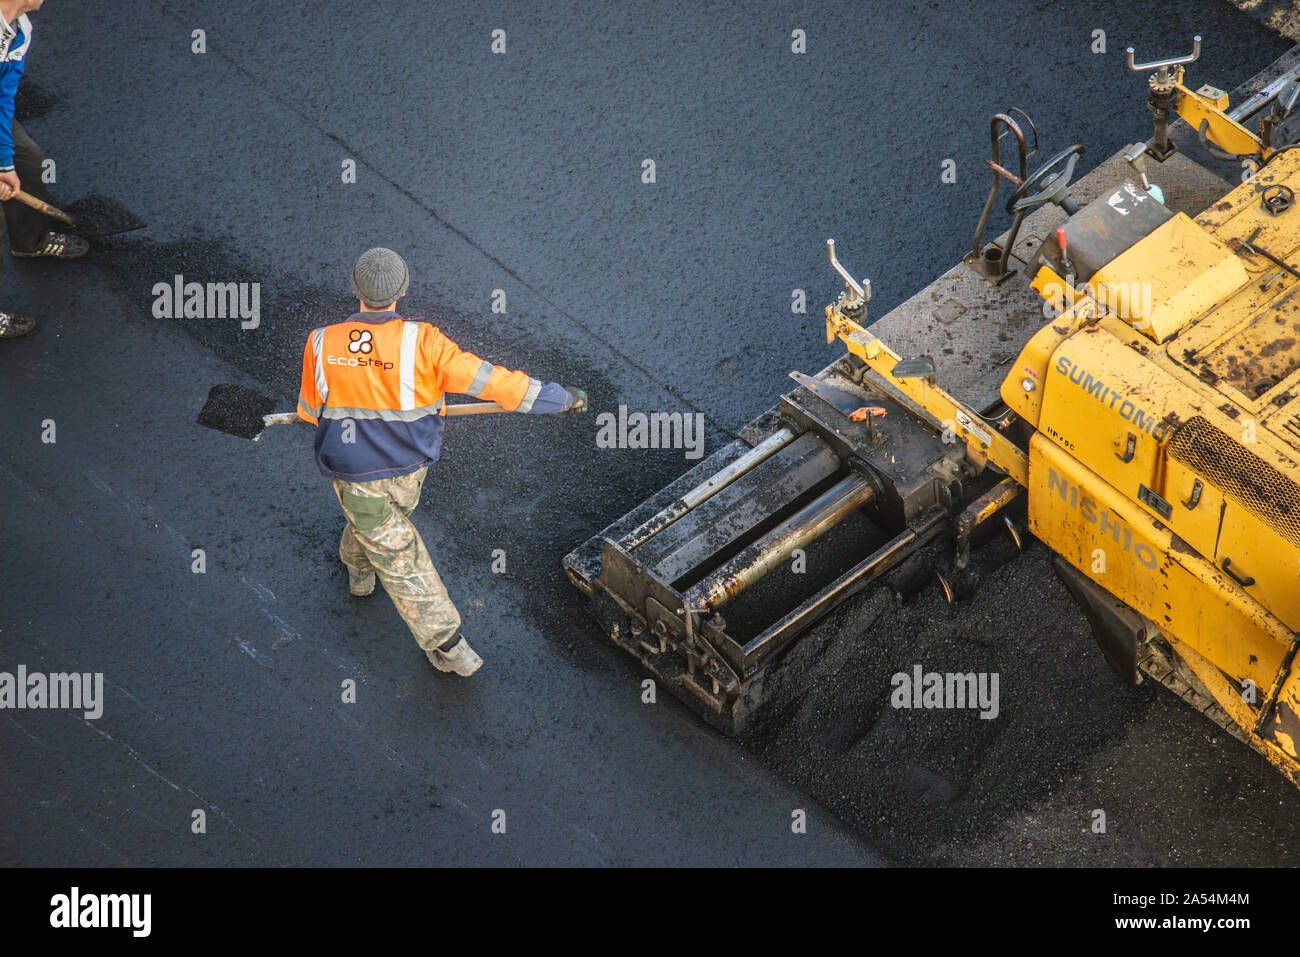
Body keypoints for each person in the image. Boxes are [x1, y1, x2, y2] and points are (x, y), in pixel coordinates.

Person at [297, 248, 586, 676]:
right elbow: (495, 383)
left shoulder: (320, 342)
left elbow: (308, 410)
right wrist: (559, 399)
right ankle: (448, 646)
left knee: (378, 526)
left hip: (355, 474)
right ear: (403, 290)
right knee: (401, 556)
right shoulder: (424, 342)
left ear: (355, 289)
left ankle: (358, 569)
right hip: (410, 468)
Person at [0, 0, 88, 339]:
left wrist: (5, 162)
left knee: (28, 158)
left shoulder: (20, 31)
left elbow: (4, 96)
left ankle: (30, 240)